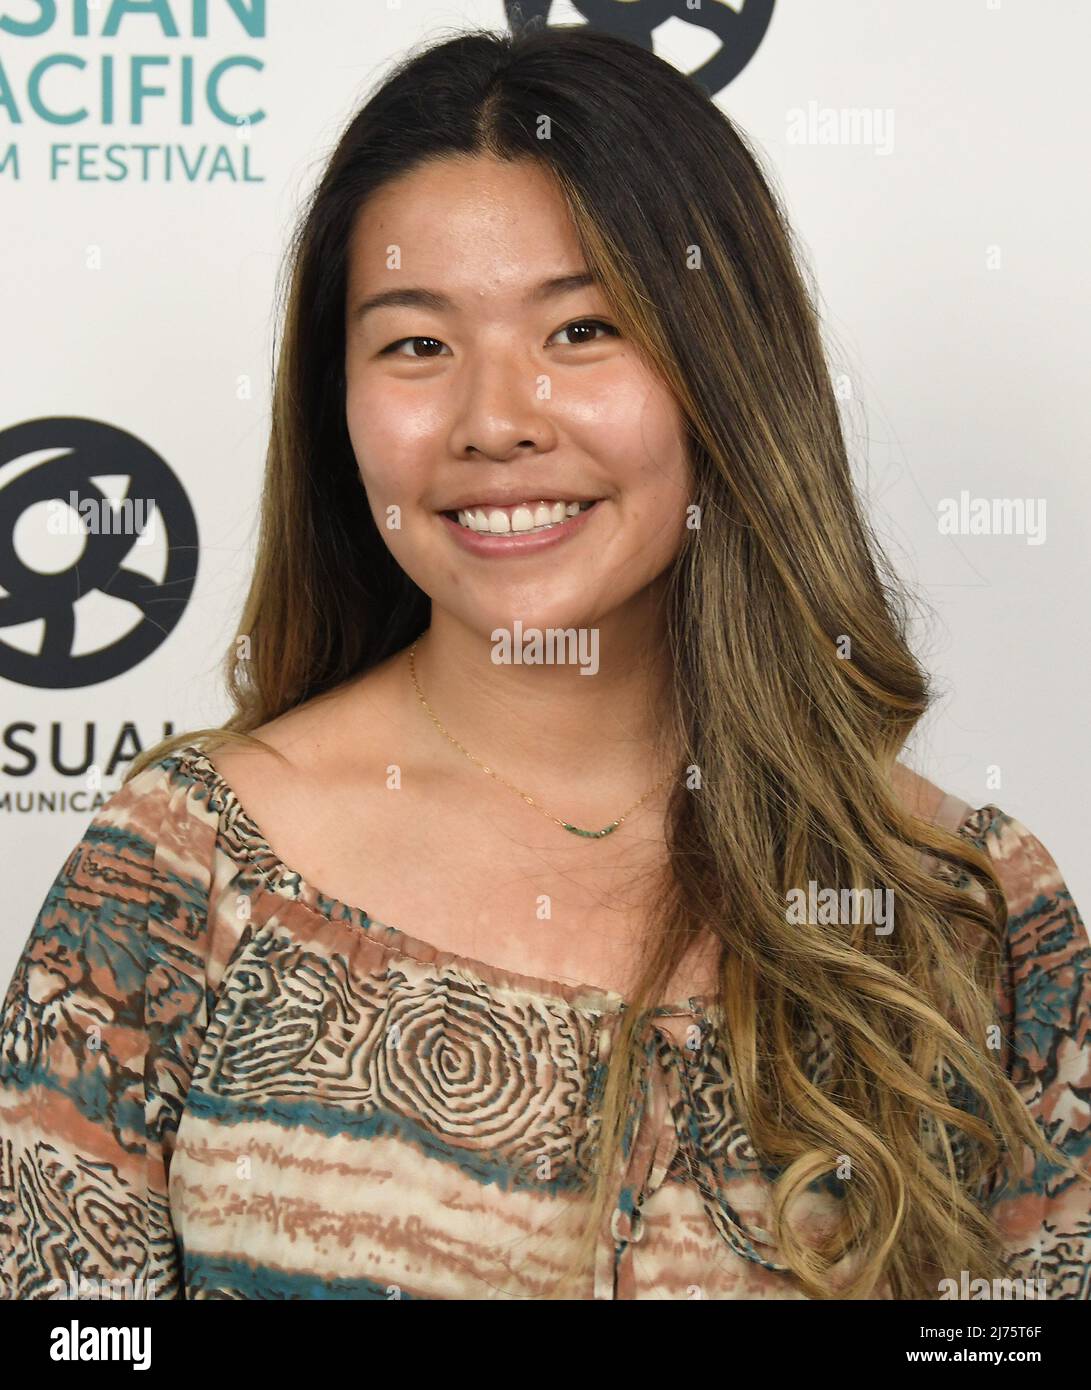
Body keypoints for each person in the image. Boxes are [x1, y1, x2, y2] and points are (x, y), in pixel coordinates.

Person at [2, 22, 1088, 1302]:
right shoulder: (179, 872)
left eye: (581, 330)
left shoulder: (971, 913)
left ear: (721, 366)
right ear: (333, 395)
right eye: (416, 343)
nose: (495, 421)